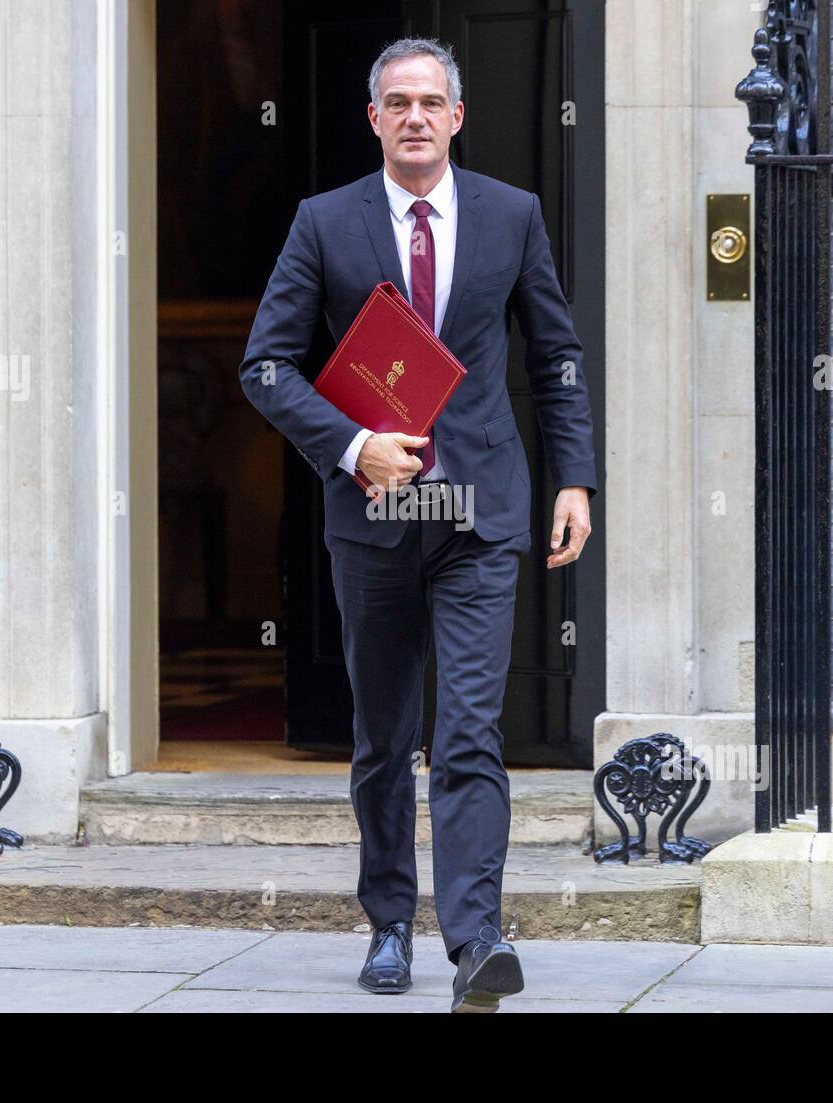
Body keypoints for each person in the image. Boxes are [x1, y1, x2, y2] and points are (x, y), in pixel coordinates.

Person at [239, 36, 597, 1014]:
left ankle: (476, 939)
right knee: (382, 736)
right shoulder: (324, 224)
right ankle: (390, 919)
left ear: (457, 115)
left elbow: (555, 356)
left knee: (470, 730)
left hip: (478, 511)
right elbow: (265, 366)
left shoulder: (511, 216)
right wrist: (353, 446)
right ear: (372, 119)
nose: (414, 117)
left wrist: (575, 479)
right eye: (396, 102)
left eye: (430, 101)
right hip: (375, 515)